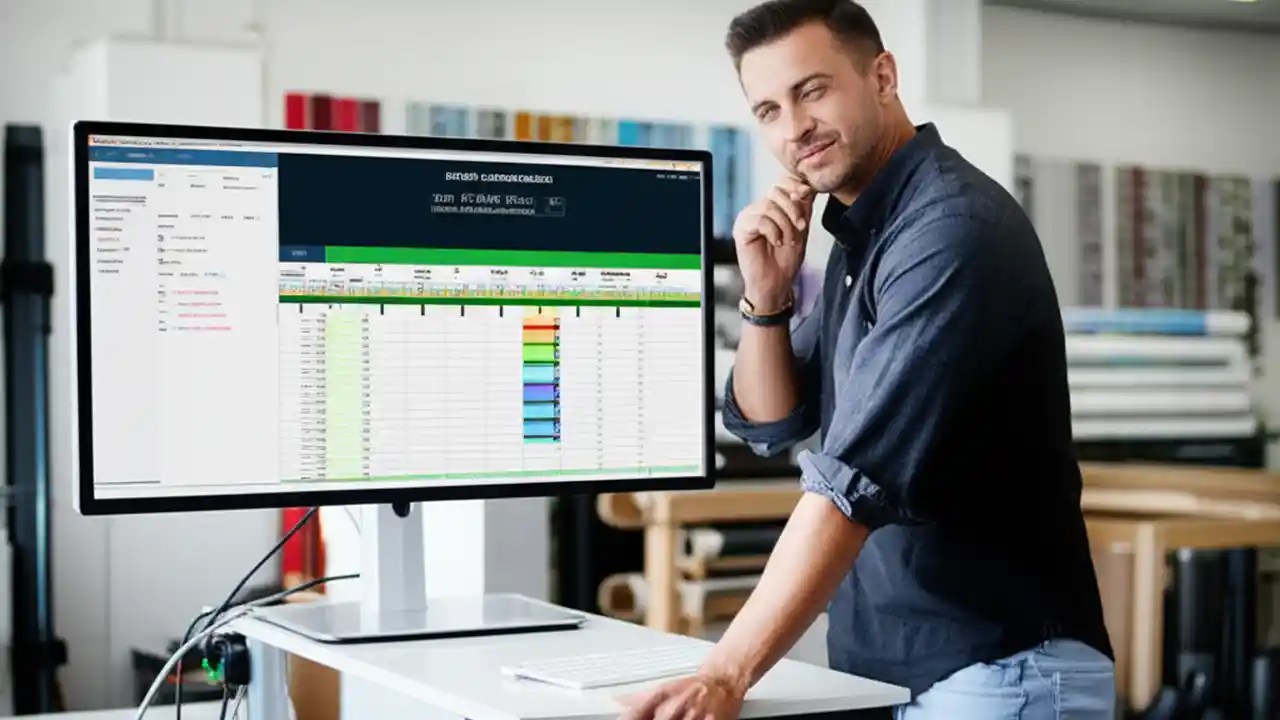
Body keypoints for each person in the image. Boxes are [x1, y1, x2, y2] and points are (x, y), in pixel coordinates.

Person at [618, 1, 1116, 718]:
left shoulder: (949, 231)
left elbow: (848, 483)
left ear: (882, 76)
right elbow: (772, 421)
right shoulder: (866, 235)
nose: (794, 128)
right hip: (910, 671)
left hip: (1001, 672)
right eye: (769, 110)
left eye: (812, 91)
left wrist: (724, 674)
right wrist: (767, 299)